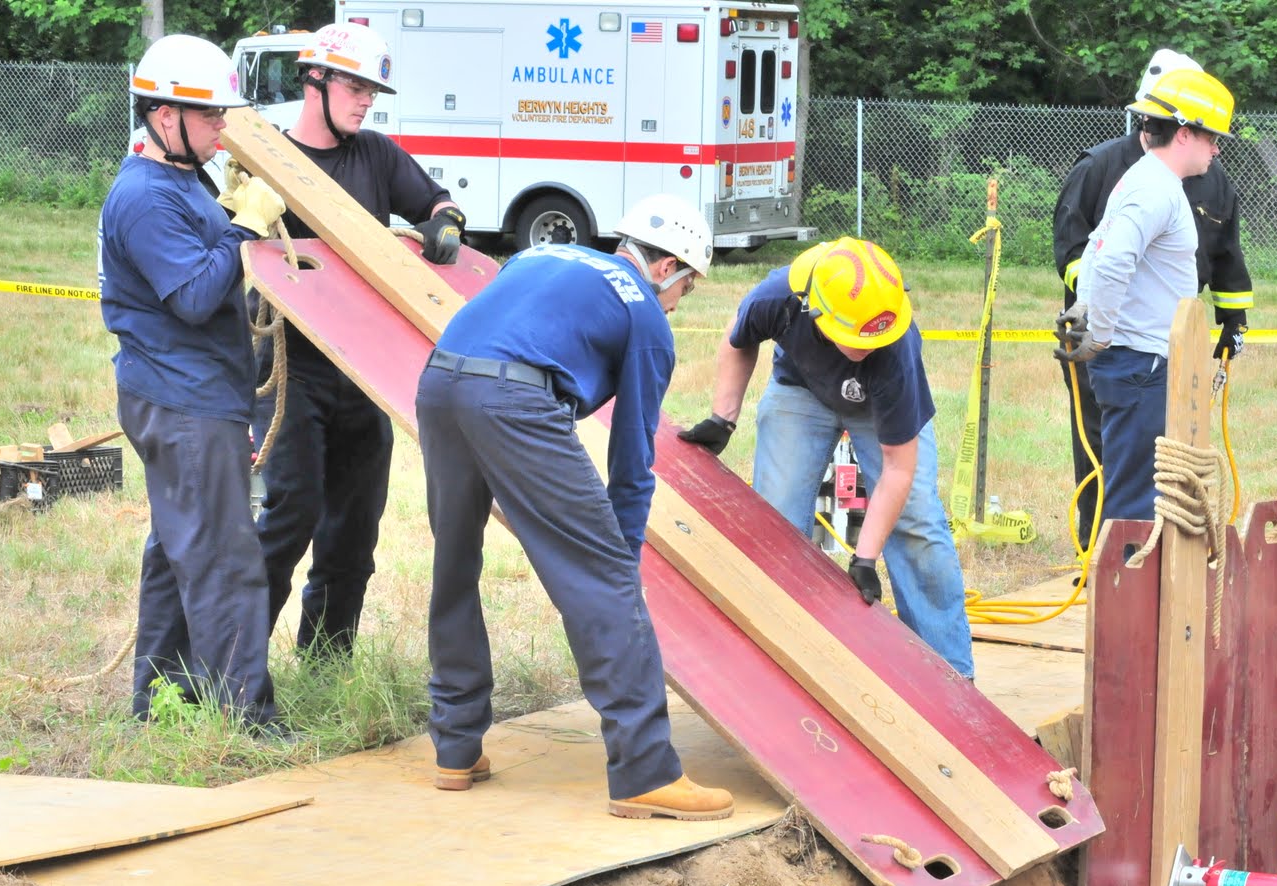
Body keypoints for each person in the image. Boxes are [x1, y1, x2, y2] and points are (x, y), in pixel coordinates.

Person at [415, 193, 733, 820]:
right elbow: (632, 460)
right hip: (515, 403)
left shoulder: (541, 256)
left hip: (438, 382)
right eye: (687, 286)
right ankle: (646, 772)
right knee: (603, 580)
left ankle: (455, 747)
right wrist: (621, 562)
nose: (679, 300)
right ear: (666, 267)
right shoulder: (645, 313)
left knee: (455, 562)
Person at [252, 22, 468, 659]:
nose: (367, 99)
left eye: (373, 90)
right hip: (292, 369)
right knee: (290, 514)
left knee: (354, 529)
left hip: (365, 369)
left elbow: (438, 203)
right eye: (355, 86)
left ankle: (325, 661)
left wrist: (445, 225)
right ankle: (237, 666)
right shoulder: (268, 162)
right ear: (314, 80)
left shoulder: (376, 155)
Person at [677, 237, 975, 680]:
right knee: (775, 521)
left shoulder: (894, 346)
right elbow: (739, 338)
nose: (865, 347)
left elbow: (899, 469)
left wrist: (865, 558)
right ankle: (780, 662)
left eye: (872, 340)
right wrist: (724, 417)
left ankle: (950, 675)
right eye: (856, 340)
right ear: (816, 313)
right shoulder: (778, 297)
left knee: (917, 522)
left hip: (877, 404)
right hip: (801, 389)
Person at [99, 35, 287, 729]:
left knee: (178, 548)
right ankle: (244, 717)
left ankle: (162, 698)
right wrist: (244, 227)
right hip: (181, 399)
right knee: (224, 558)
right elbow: (194, 297)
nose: (221, 128)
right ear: (164, 116)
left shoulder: (182, 181)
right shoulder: (145, 197)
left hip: (193, 395)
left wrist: (228, 211)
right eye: (209, 115)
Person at [1052, 50, 1252, 546]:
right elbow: (1109, 260)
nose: (1217, 149)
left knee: (1139, 489)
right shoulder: (1155, 190)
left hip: (1142, 362)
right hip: (1140, 364)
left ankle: (1129, 578)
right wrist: (1097, 332)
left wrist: (1090, 321)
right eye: (1211, 137)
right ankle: (1124, 584)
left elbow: (1098, 252)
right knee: (1135, 503)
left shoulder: (1145, 179)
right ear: (1183, 132)